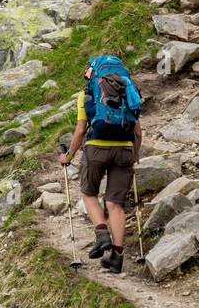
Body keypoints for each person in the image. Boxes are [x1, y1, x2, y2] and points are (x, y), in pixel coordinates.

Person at [58, 55, 142, 274]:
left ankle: (101, 233)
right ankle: (117, 256)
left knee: (89, 193)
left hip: (96, 147)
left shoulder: (87, 95)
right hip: (124, 149)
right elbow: (138, 131)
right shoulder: (128, 92)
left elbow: (80, 130)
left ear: (92, 74)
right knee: (115, 204)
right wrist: (135, 154)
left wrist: (68, 155)